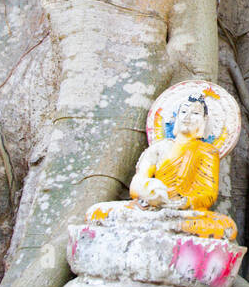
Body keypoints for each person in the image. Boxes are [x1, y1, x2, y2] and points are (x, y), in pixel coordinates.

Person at [88, 95, 237, 240]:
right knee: (97, 212)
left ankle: (160, 225)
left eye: (195, 113)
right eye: (183, 112)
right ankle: (160, 223)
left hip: (183, 212)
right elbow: (138, 182)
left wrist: (187, 202)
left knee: (225, 226)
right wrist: (149, 190)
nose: (187, 117)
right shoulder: (159, 147)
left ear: (204, 120)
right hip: (149, 207)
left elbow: (208, 193)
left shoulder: (207, 152)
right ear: (176, 116)